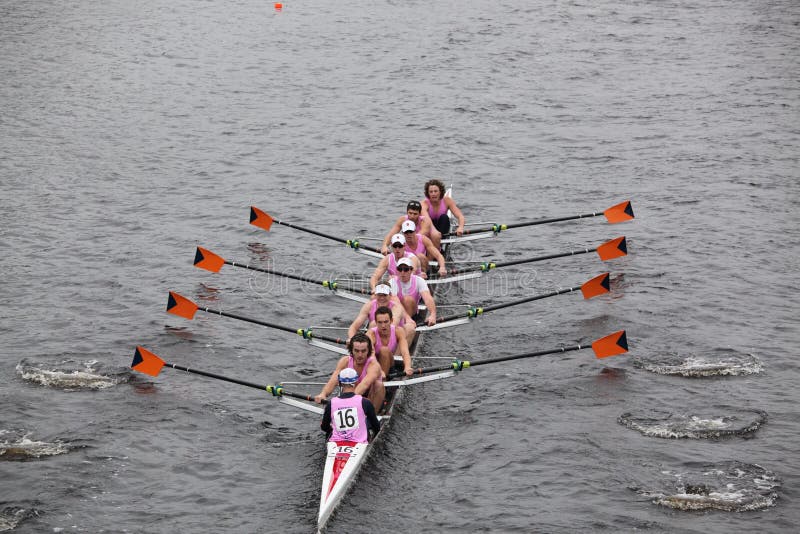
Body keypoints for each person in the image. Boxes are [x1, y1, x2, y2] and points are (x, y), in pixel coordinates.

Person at [315, 333, 385, 411]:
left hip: (370, 395)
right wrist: (323, 394)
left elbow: (365, 384)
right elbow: (333, 380)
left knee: (378, 385)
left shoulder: (373, 365)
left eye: (363, 351)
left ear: (368, 351)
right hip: (352, 394)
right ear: (351, 349)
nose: (360, 355)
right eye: (356, 351)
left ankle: (373, 414)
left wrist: (347, 402)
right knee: (345, 382)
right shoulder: (345, 361)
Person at [320, 367, 381, 443]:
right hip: (360, 442)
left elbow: (324, 427)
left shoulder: (331, 403)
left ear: (340, 383)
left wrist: (332, 429)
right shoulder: (365, 402)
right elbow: (376, 427)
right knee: (367, 422)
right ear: (356, 382)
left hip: (336, 442)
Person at [347, 281, 416, 341]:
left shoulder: (397, 307)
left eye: (384, 295)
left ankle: (396, 355)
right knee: (374, 324)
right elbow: (353, 327)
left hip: (394, 338)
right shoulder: (369, 306)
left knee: (409, 328)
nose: (382, 298)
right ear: (375, 295)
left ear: (390, 295)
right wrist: (352, 339)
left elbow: (391, 327)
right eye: (379, 295)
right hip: (377, 336)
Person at [367, 306, 413, 378]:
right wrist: (379, 371)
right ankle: (380, 379)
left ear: (391, 321)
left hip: (390, 363)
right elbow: (371, 355)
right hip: (374, 364)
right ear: (375, 322)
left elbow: (405, 352)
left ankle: (383, 380)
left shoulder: (398, 331)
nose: (383, 326)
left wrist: (407, 367)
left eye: (386, 322)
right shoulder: (371, 334)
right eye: (380, 322)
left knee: (384, 350)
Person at [391, 257, 437, 327]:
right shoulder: (392, 282)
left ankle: (404, 326)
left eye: (406, 269)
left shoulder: (419, 280)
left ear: (411, 270)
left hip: (412, 312)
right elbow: (396, 304)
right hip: (397, 313)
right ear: (397, 270)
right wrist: (407, 318)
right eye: (400, 269)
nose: (402, 272)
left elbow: (427, 298)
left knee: (407, 300)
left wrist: (433, 315)